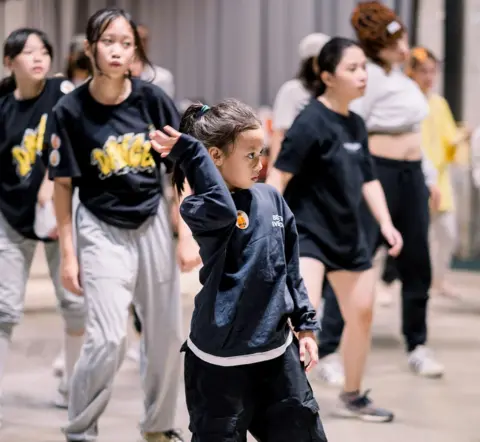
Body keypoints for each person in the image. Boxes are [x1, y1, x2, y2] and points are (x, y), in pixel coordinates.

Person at [49, 7, 198, 442]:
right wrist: (69, 256)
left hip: (151, 221)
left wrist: (185, 234)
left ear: (135, 51)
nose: (117, 51)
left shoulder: (153, 100)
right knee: (108, 338)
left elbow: (180, 168)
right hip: (99, 225)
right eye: (108, 42)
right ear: (90, 48)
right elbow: (62, 186)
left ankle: (158, 427)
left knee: (166, 335)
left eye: (126, 43)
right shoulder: (70, 109)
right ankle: (80, 431)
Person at [149, 99, 327, 442]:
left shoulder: (271, 198)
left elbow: (290, 267)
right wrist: (193, 155)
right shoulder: (199, 207)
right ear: (215, 156)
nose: (260, 164)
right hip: (219, 365)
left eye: (262, 153)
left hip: (277, 356)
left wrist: (305, 326)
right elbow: (225, 210)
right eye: (250, 155)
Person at [267, 37, 402, 422]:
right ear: (327, 77)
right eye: (352, 68)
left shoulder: (355, 123)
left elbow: (368, 178)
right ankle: (284, 400)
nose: (362, 75)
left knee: (362, 314)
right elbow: (279, 174)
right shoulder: (310, 121)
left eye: (363, 67)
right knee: (301, 319)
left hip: (348, 234)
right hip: (308, 234)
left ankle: (353, 395)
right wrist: (270, 226)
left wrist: (386, 223)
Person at [316, 1, 445, 382]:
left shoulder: (404, 81)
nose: (404, 49)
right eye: (395, 43)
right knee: (355, 258)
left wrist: (428, 176)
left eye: (403, 40)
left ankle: (417, 344)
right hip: (377, 174)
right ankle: (327, 350)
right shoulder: (367, 77)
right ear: (377, 47)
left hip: (411, 176)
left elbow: (416, 134)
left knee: (417, 260)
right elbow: (352, 128)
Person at [0, 28, 85, 423]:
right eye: (28, 51)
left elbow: (74, 138)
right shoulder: (3, 105)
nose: (38, 58)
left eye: (44, 51)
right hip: (11, 215)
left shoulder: (61, 91)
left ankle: (72, 386)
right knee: (4, 308)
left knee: (74, 302)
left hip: (58, 214)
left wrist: (53, 181)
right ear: (9, 61)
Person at [407, 46, 470, 297]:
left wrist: (462, 137)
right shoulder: (407, 100)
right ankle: (392, 282)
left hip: (440, 180)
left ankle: (439, 280)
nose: (429, 76)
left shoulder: (438, 103)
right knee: (409, 235)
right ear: (412, 72)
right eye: (424, 71)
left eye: (433, 71)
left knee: (447, 234)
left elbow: (448, 138)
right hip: (412, 177)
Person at [268, 32, 330, 170]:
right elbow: (280, 134)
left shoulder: (334, 91)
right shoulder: (292, 90)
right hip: (298, 165)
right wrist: (273, 172)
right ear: (310, 63)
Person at [130, 24, 175, 99]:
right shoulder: (115, 76)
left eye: (143, 40)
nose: (139, 44)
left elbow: (164, 104)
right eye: (136, 40)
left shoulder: (162, 77)